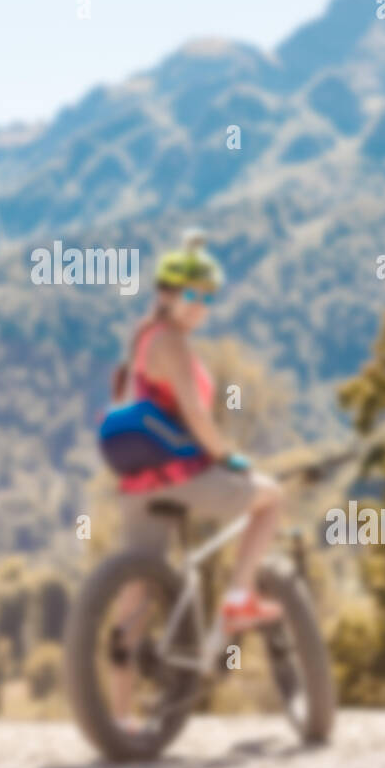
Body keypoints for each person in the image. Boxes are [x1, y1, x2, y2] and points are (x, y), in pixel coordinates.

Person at [111, 229, 284, 630]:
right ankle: (239, 597)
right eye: (192, 295)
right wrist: (227, 457)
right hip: (178, 472)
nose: (200, 307)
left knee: (136, 590)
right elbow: (196, 415)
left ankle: (108, 691)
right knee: (272, 497)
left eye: (207, 299)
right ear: (166, 295)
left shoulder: (143, 337)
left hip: (138, 481)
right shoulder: (171, 343)